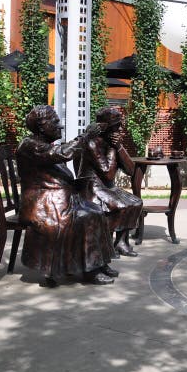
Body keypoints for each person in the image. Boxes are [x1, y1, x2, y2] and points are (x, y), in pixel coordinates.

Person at [17, 105, 116, 286]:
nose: (60, 126)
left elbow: (61, 154)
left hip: (57, 200)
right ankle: (90, 270)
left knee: (97, 211)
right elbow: (63, 153)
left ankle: (99, 263)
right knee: (87, 216)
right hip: (43, 203)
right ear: (42, 126)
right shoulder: (30, 146)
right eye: (55, 122)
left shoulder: (41, 144)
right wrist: (86, 137)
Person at [77, 107, 143, 257]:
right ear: (104, 127)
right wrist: (114, 149)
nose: (120, 129)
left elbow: (131, 170)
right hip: (91, 188)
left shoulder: (113, 144)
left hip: (107, 187)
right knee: (120, 206)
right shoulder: (92, 144)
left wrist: (119, 147)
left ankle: (121, 243)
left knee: (136, 202)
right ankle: (106, 245)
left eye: (120, 125)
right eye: (116, 126)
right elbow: (108, 174)